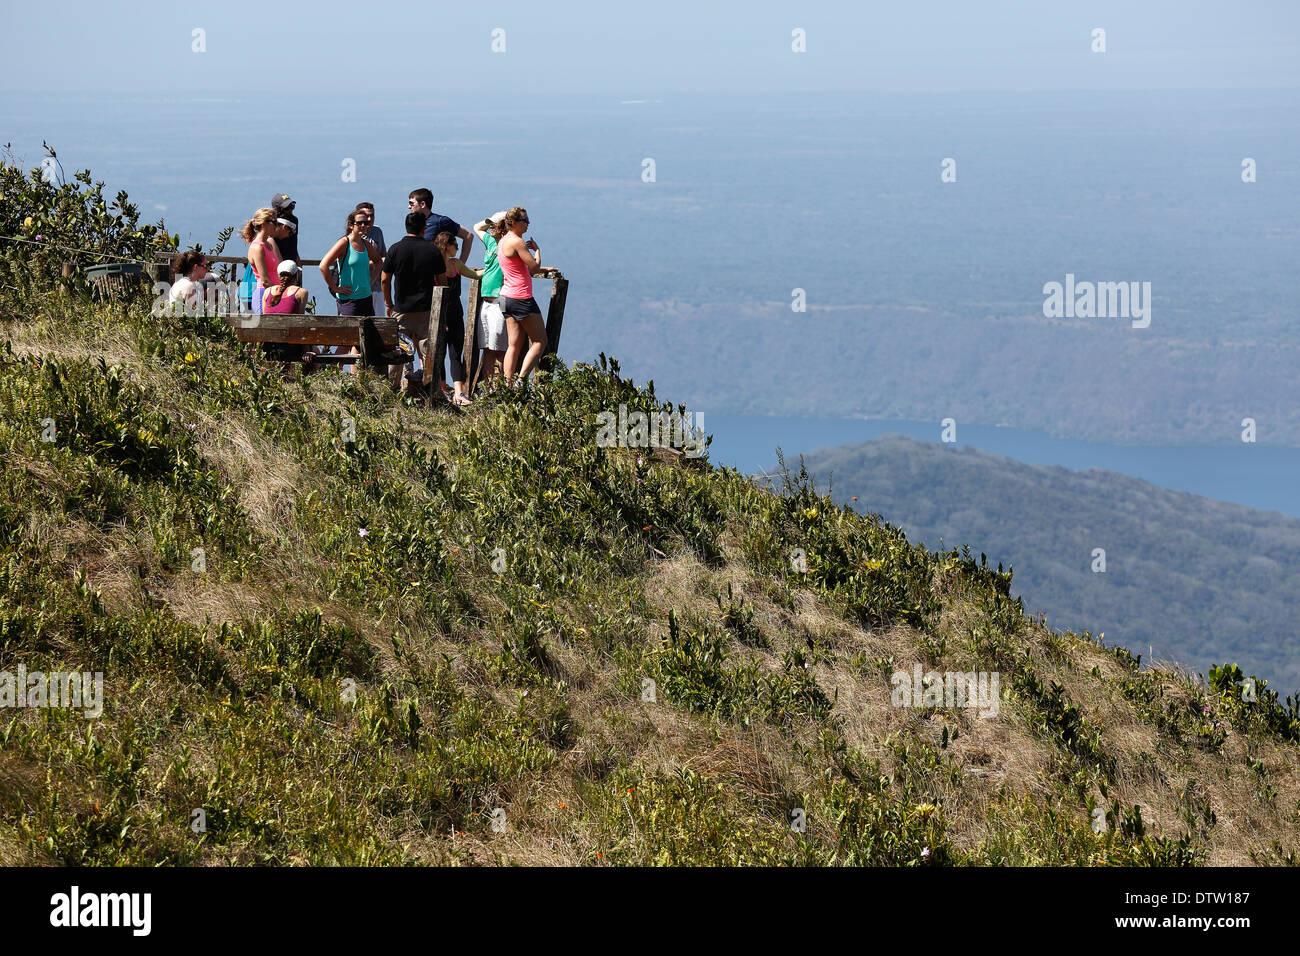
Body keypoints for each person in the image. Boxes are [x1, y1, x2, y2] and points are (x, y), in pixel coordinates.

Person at [381, 211, 445, 390]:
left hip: (402, 309)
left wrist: (388, 303)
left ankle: (392, 389)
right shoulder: (432, 250)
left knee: (400, 349)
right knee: (427, 349)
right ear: (424, 229)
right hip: (426, 309)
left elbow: (385, 279)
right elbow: (442, 282)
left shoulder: (395, 249)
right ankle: (431, 387)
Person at [498, 207, 558, 383]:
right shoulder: (517, 242)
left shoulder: (503, 241)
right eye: (525, 220)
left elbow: (518, 267)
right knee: (540, 341)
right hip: (521, 297)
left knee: (513, 345)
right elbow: (534, 269)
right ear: (514, 223)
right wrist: (538, 252)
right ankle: (520, 381)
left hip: (505, 297)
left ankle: (506, 386)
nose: (528, 223)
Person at [431, 230, 487, 406]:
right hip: (441, 314)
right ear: (447, 246)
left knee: (455, 352)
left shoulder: (455, 264)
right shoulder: (436, 266)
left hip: (454, 313)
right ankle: (443, 390)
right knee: (439, 354)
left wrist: (495, 264)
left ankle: (457, 392)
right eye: (455, 244)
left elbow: (476, 275)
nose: (458, 247)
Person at [471, 212, 509, 388]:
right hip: (486, 301)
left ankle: (501, 388)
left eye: (495, 225)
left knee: (500, 348)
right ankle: (487, 388)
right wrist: (492, 220)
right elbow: (477, 227)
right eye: (491, 225)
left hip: (500, 300)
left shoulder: (508, 245)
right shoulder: (490, 240)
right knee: (486, 348)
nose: (491, 228)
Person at [320, 210, 383, 316]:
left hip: (366, 297)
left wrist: (371, 280)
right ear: (350, 225)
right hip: (348, 300)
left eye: (366, 223)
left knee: (369, 332)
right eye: (359, 223)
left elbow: (378, 261)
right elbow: (323, 265)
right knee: (350, 332)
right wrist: (335, 288)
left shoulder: (366, 244)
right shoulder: (344, 243)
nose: (363, 225)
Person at [260, 260, 314, 370]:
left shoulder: (267, 292)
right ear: (296, 275)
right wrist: (306, 350)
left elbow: (265, 322)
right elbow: (301, 323)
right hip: (290, 346)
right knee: (315, 351)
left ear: (279, 275)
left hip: (268, 347)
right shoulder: (301, 292)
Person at [241, 208, 287, 315]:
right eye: (273, 222)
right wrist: (280, 295)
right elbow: (265, 280)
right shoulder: (257, 247)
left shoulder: (269, 244)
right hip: (264, 295)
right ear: (263, 224)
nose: (276, 225)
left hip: (274, 293)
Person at [354, 202, 387, 318]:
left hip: (376, 286)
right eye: (366, 216)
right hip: (358, 287)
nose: (369, 219)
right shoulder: (355, 236)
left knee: (379, 321)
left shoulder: (378, 231)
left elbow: (384, 255)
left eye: (372, 215)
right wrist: (375, 263)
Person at [271, 193, 300, 262]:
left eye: (292, 206)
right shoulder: (271, 224)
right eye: (287, 208)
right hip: (277, 262)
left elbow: (294, 241)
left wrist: (298, 261)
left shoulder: (294, 221)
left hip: (292, 262)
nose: (290, 210)